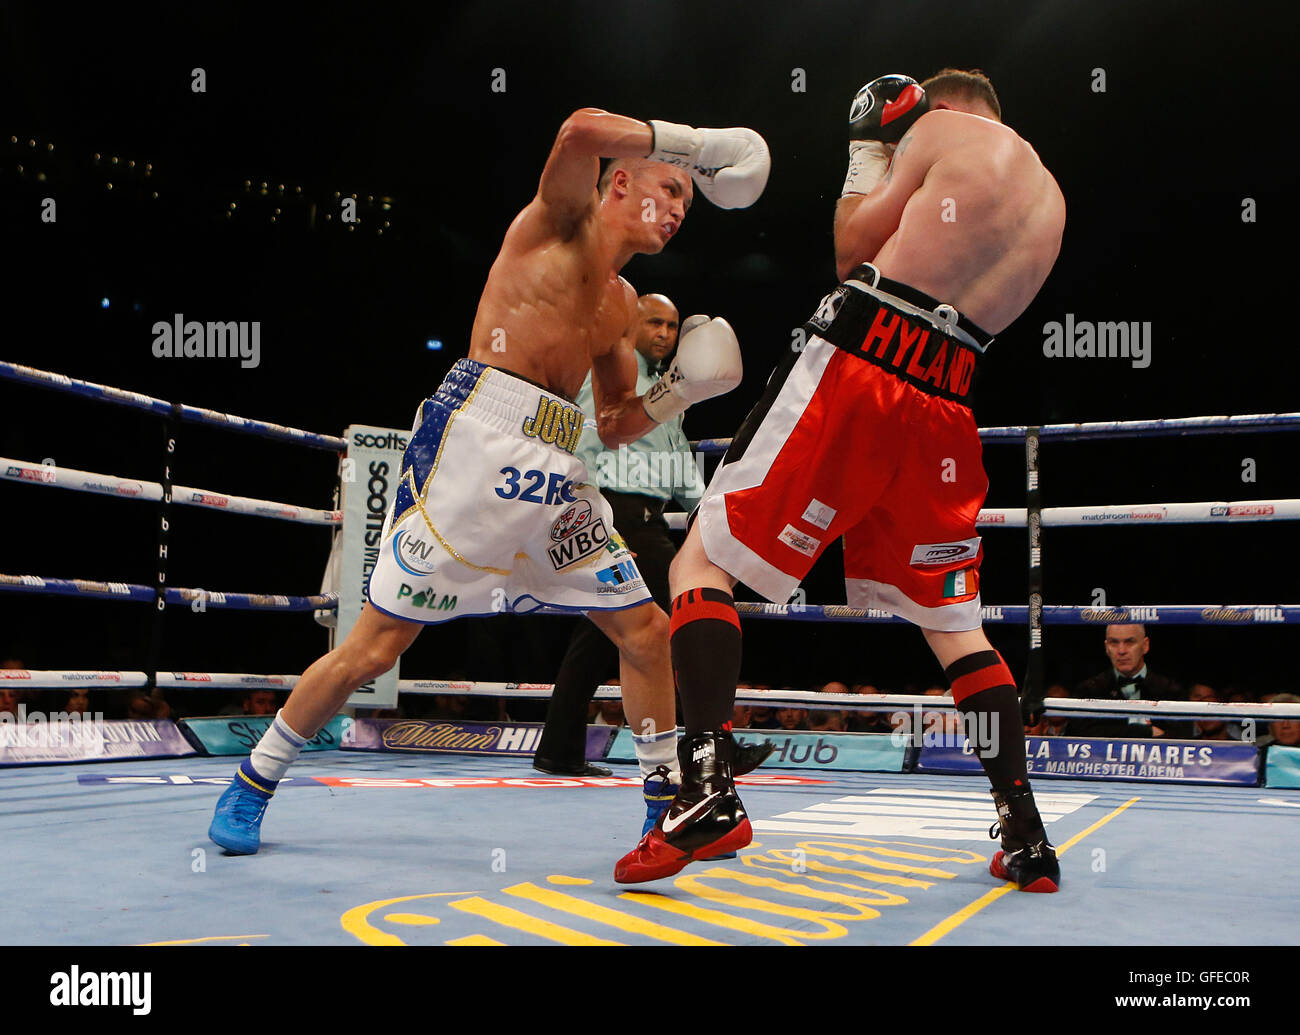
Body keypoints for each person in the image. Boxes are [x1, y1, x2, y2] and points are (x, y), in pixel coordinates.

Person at [208, 107, 770, 855]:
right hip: (477, 441)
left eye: (687, 204)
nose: (675, 210)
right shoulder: (556, 223)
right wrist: (697, 147)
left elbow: (613, 421)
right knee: (374, 649)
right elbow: (577, 133)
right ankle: (255, 778)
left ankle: (662, 803)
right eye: (669, 190)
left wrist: (682, 393)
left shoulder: (625, 306)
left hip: (561, 472)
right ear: (622, 180)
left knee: (646, 632)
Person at [615, 69, 1067, 893]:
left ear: (941, 109)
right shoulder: (1052, 204)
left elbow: (850, 250)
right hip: (947, 402)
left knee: (699, 563)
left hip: (859, 363)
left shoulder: (938, 131)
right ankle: (1026, 831)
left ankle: (707, 787)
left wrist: (867, 151)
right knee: (953, 621)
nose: (904, 143)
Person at [531, 292, 702, 778]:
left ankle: (559, 748)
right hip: (616, 511)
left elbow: (674, 452)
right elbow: (588, 434)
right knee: (671, 628)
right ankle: (702, 749)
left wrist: (703, 505)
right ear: (629, 326)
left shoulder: (667, 389)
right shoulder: (606, 374)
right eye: (654, 323)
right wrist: (584, 497)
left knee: (606, 635)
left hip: (641, 514)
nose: (665, 335)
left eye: (671, 326)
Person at [1071, 624, 1183, 739]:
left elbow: (1181, 737)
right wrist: (1144, 731)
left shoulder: (1169, 690)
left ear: (1145, 645)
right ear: (1106, 647)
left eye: (1129, 642)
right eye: (1114, 642)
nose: (1121, 651)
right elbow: (1080, 734)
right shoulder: (1089, 690)